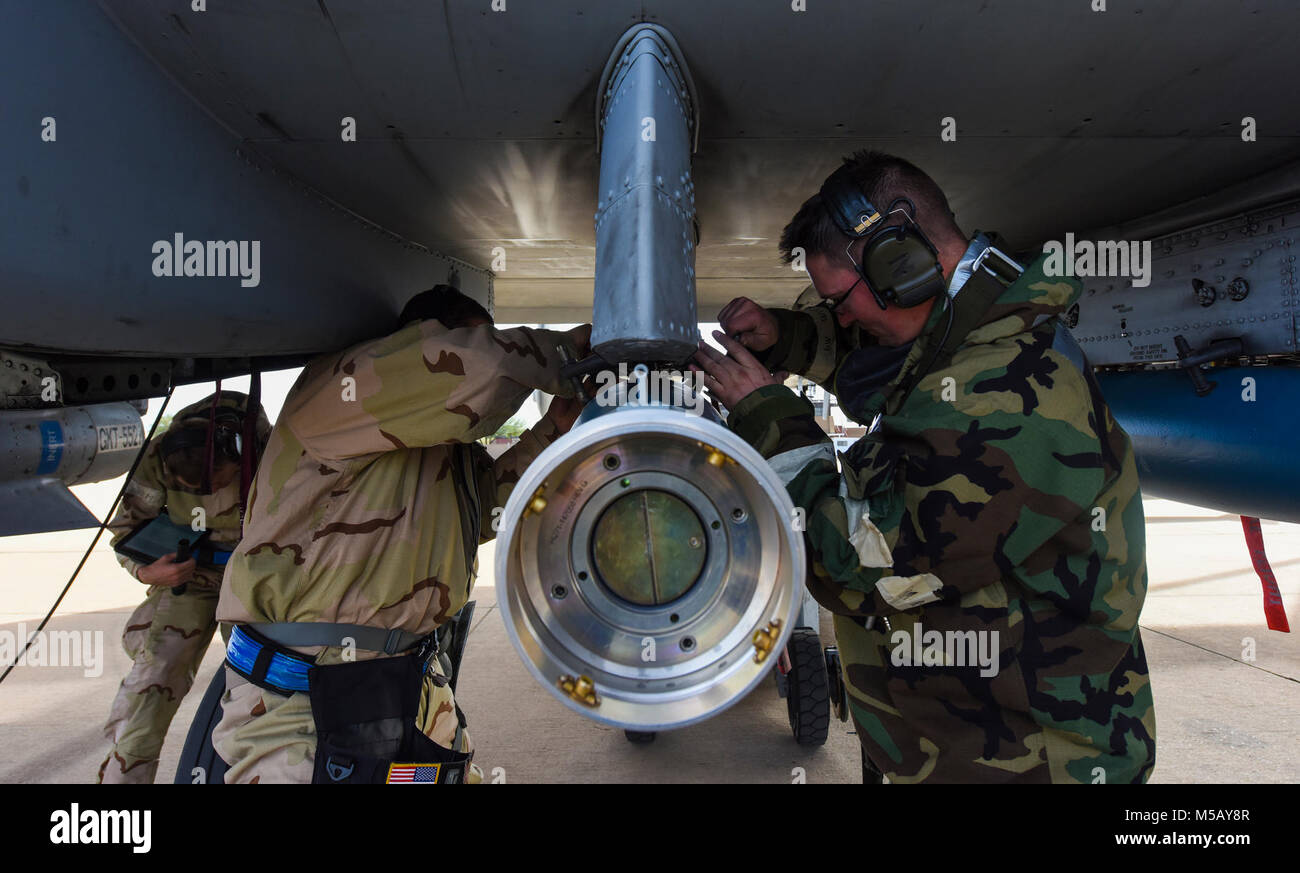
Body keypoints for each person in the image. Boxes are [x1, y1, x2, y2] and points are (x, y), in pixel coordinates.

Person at [693, 150, 1156, 783]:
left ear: (902, 264)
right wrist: (788, 337)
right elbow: (893, 360)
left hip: (1031, 765)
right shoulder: (973, 337)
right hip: (968, 745)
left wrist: (774, 423)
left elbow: (866, 567)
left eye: (840, 300)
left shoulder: (1009, 394)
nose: (843, 317)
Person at [212, 286, 590, 783]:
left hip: (406, 688)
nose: (484, 349)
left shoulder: (435, 444)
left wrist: (552, 431)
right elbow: (480, 370)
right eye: (472, 339)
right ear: (422, 342)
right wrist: (590, 350)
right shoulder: (338, 391)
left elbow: (482, 511)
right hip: (304, 708)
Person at [99, 391, 271, 783]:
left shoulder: (274, 452)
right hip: (187, 579)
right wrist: (147, 573)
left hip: (256, 581)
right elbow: (126, 527)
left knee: (260, 692)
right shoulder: (159, 456)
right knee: (151, 684)